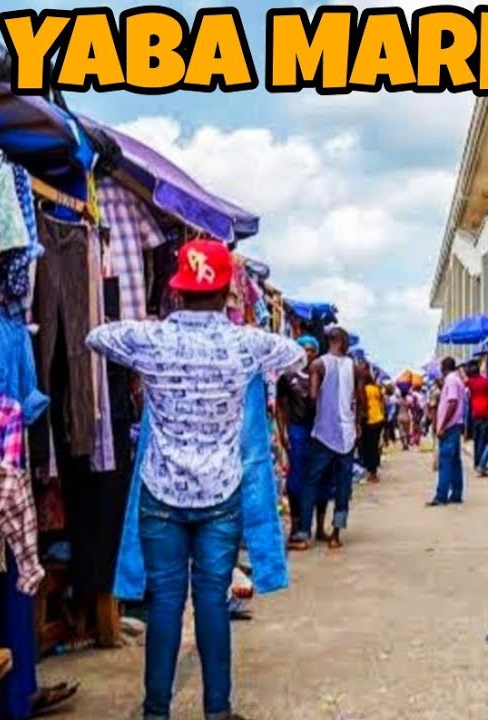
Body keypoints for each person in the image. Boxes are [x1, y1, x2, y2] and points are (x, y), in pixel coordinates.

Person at [86, 239, 304, 720]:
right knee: (211, 600)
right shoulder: (244, 343)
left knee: (165, 602)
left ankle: (156, 711)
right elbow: (293, 353)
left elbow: (96, 337)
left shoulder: (153, 340)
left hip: (160, 494)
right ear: (228, 290)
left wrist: (148, 331)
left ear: (177, 289)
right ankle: (217, 711)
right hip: (220, 495)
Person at [306, 328, 363, 550]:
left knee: (312, 481)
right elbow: (360, 400)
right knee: (342, 485)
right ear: (343, 342)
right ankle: (336, 534)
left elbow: (311, 397)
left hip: (322, 433)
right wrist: (357, 424)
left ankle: (304, 532)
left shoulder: (318, 365)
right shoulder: (355, 367)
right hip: (347, 434)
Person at [280, 336, 320, 551]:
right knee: (296, 478)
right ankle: (296, 524)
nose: (308, 352)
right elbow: (281, 405)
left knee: (314, 478)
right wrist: (282, 430)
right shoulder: (287, 376)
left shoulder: (320, 374)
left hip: (317, 431)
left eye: (312, 349)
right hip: (296, 429)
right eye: (304, 349)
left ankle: (310, 525)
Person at [428, 357, 467, 506]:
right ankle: (456, 494)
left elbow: (452, 402)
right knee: (455, 461)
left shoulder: (450, 381)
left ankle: (441, 496)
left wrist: (443, 425)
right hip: (455, 425)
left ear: (443, 368)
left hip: (450, 427)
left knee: (445, 461)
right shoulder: (457, 380)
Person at [465, 363, 488, 475]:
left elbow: (464, 381)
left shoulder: (470, 383)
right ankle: (482, 464)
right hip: (486, 414)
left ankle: (477, 464)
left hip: (475, 415)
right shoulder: (487, 381)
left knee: (476, 440)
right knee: (483, 440)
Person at [360, 370, 386, 483]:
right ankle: (373, 471)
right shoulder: (375, 388)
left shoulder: (363, 389)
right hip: (379, 419)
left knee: (369, 447)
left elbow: (363, 405)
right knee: (374, 446)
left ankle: (373, 474)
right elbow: (381, 402)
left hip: (369, 420)